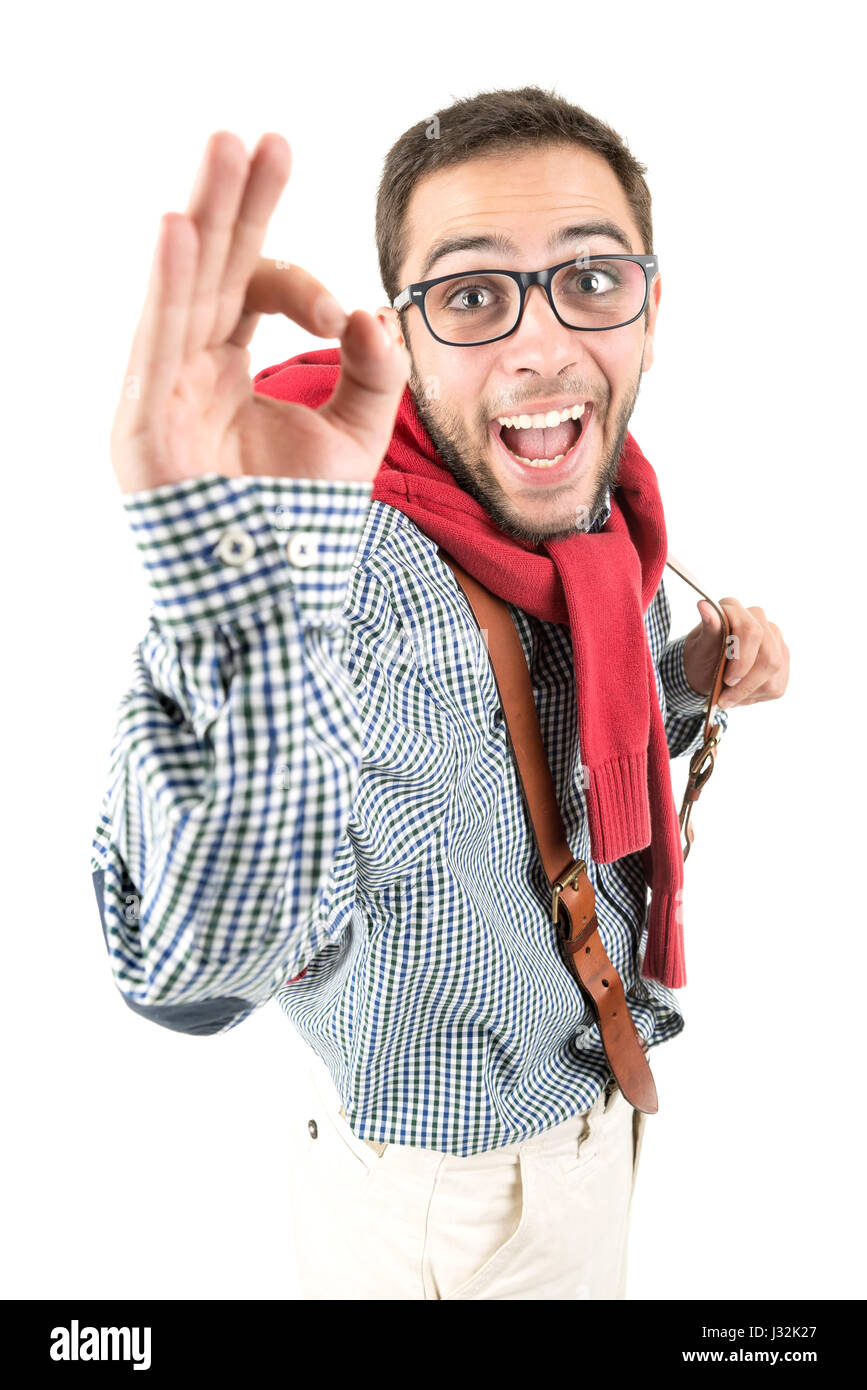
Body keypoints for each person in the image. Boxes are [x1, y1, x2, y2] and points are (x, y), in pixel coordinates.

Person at [90, 85, 790, 1300]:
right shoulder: (357, 582)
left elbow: (525, 765)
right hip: (453, 1211)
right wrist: (233, 609)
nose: (539, 341)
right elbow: (196, 970)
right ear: (402, 336)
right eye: (473, 295)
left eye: (590, 279)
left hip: (581, 1124)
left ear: (650, 308)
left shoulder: (600, 516)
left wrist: (685, 682)